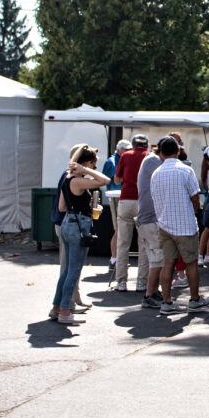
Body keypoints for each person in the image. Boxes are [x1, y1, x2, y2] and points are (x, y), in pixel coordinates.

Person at [149, 136, 209, 313]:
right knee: (191, 263)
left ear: (161, 153)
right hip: (185, 225)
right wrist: (196, 210)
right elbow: (195, 198)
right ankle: (194, 299)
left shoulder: (156, 173)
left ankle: (167, 302)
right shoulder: (186, 170)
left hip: (164, 225)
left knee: (168, 263)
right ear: (177, 151)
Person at [52, 145, 110, 323]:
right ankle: (65, 311)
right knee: (74, 271)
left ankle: (57, 308)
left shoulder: (67, 179)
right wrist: (85, 170)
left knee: (67, 270)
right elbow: (105, 180)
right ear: (85, 163)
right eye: (93, 164)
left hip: (67, 224)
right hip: (78, 226)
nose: (94, 168)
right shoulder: (77, 180)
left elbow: (62, 207)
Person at [114, 133, 150, 293]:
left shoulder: (126, 155)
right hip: (143, 202)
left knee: (123, 243)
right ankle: (141, 283)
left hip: (126, 200)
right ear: (146, 145)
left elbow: (116, 179)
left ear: (133, 145)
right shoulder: (150, 157)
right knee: (144, 244)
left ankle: (121, 282)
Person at [135, 142, 166, 310]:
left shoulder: (151, 160)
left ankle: (153, 292)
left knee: (156, 258)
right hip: (150, 219)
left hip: (149, 218)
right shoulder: (153, 161)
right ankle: (149, 295)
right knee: (157, 260)